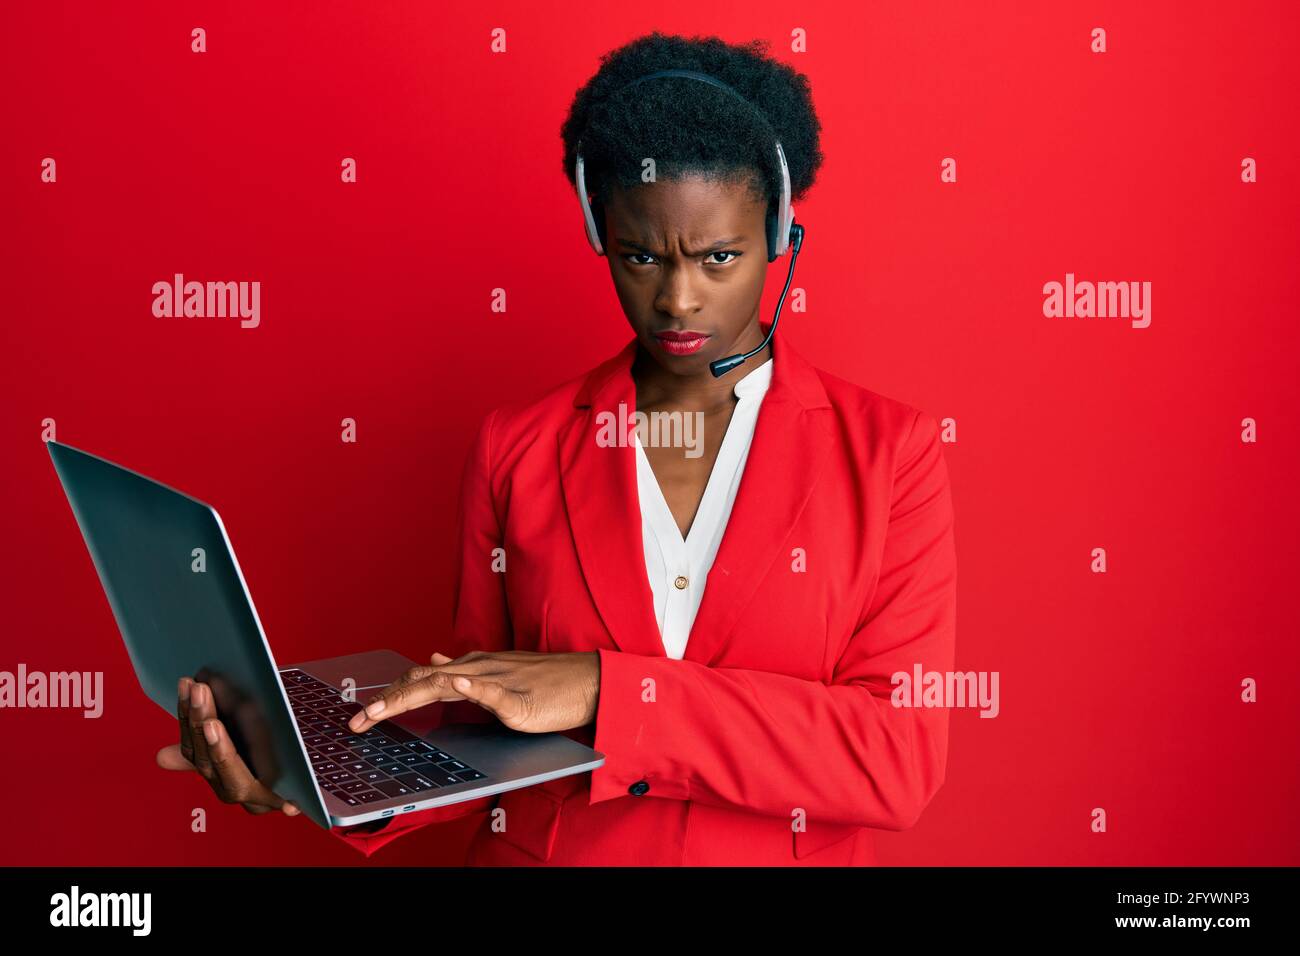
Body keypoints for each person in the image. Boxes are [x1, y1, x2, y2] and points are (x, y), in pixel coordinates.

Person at [157, 31, 957, 866]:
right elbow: (483, 728)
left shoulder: (890, 454)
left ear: (782, 236)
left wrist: (609, 689)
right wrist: (316, 777)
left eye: (720, 256)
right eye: (642, 255)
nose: (678, 298)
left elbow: (893, 759)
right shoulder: (518, 446)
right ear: (597, 232)